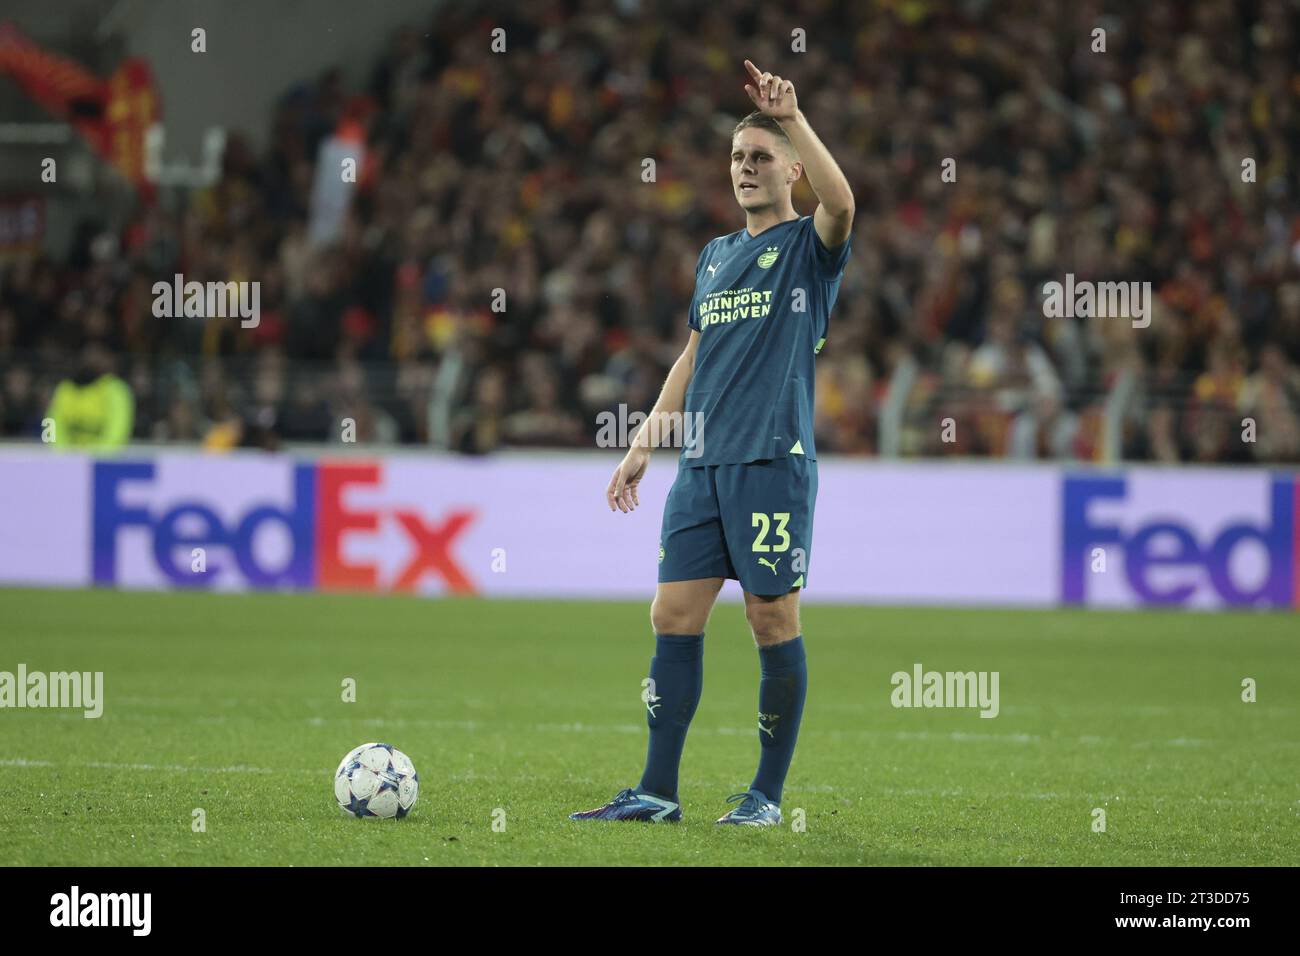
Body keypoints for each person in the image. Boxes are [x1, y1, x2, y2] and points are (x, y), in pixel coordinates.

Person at [571, 61, 854, 826]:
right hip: (701, 467)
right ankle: (659, 791)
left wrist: (791, 116)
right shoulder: (714, 256)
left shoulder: (808, 247)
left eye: (760, 157)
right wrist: (643, 445)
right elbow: (692, 357)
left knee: (771, 620)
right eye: (736, 159)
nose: (745, 169)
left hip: (771, 463)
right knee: (671, 616)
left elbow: (843, 202)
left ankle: (764, 797)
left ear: (790, 166)